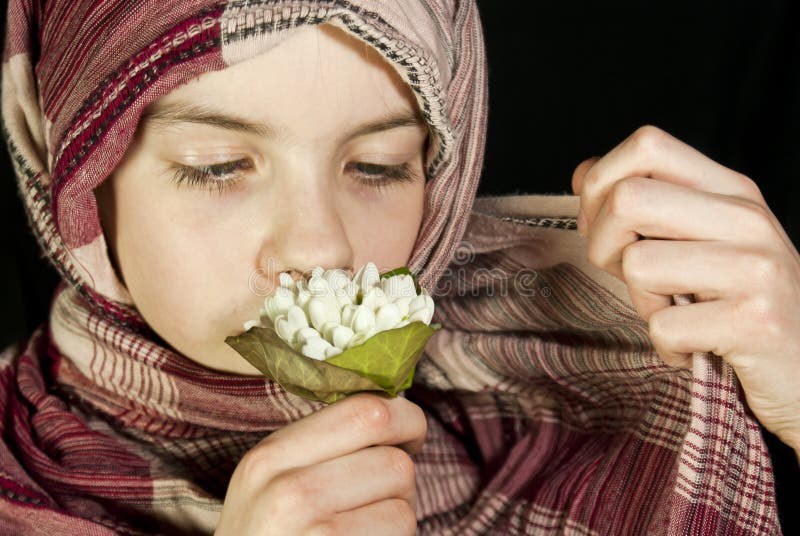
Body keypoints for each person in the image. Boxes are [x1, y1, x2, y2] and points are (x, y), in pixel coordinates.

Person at [1, 0, 795, 534]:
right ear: (75, 178)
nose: (321, 249)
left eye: (377, 166)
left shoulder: (619, 401)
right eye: (218, 166)